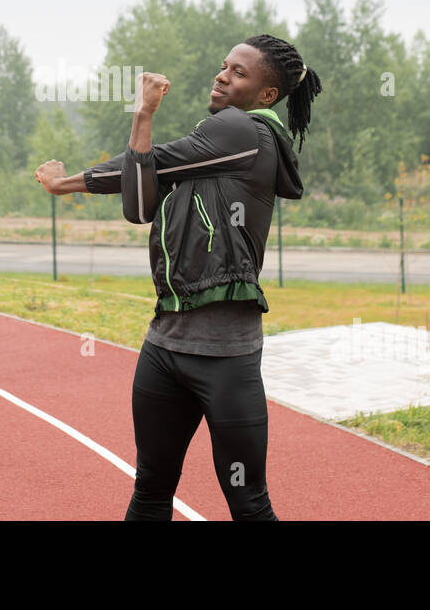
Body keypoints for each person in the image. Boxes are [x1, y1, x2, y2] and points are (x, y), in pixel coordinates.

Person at [35, 34, 321, 520]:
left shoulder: (242, 132)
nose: (222, 75)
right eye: (224, 65)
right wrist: (70, 183)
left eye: (239, 72)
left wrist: (142, 115)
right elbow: (140, 200)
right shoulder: (208, 149)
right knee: (151, 489)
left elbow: (152, 160)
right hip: (164, 344)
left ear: (267, 95)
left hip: (226, 355)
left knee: (248, 500)